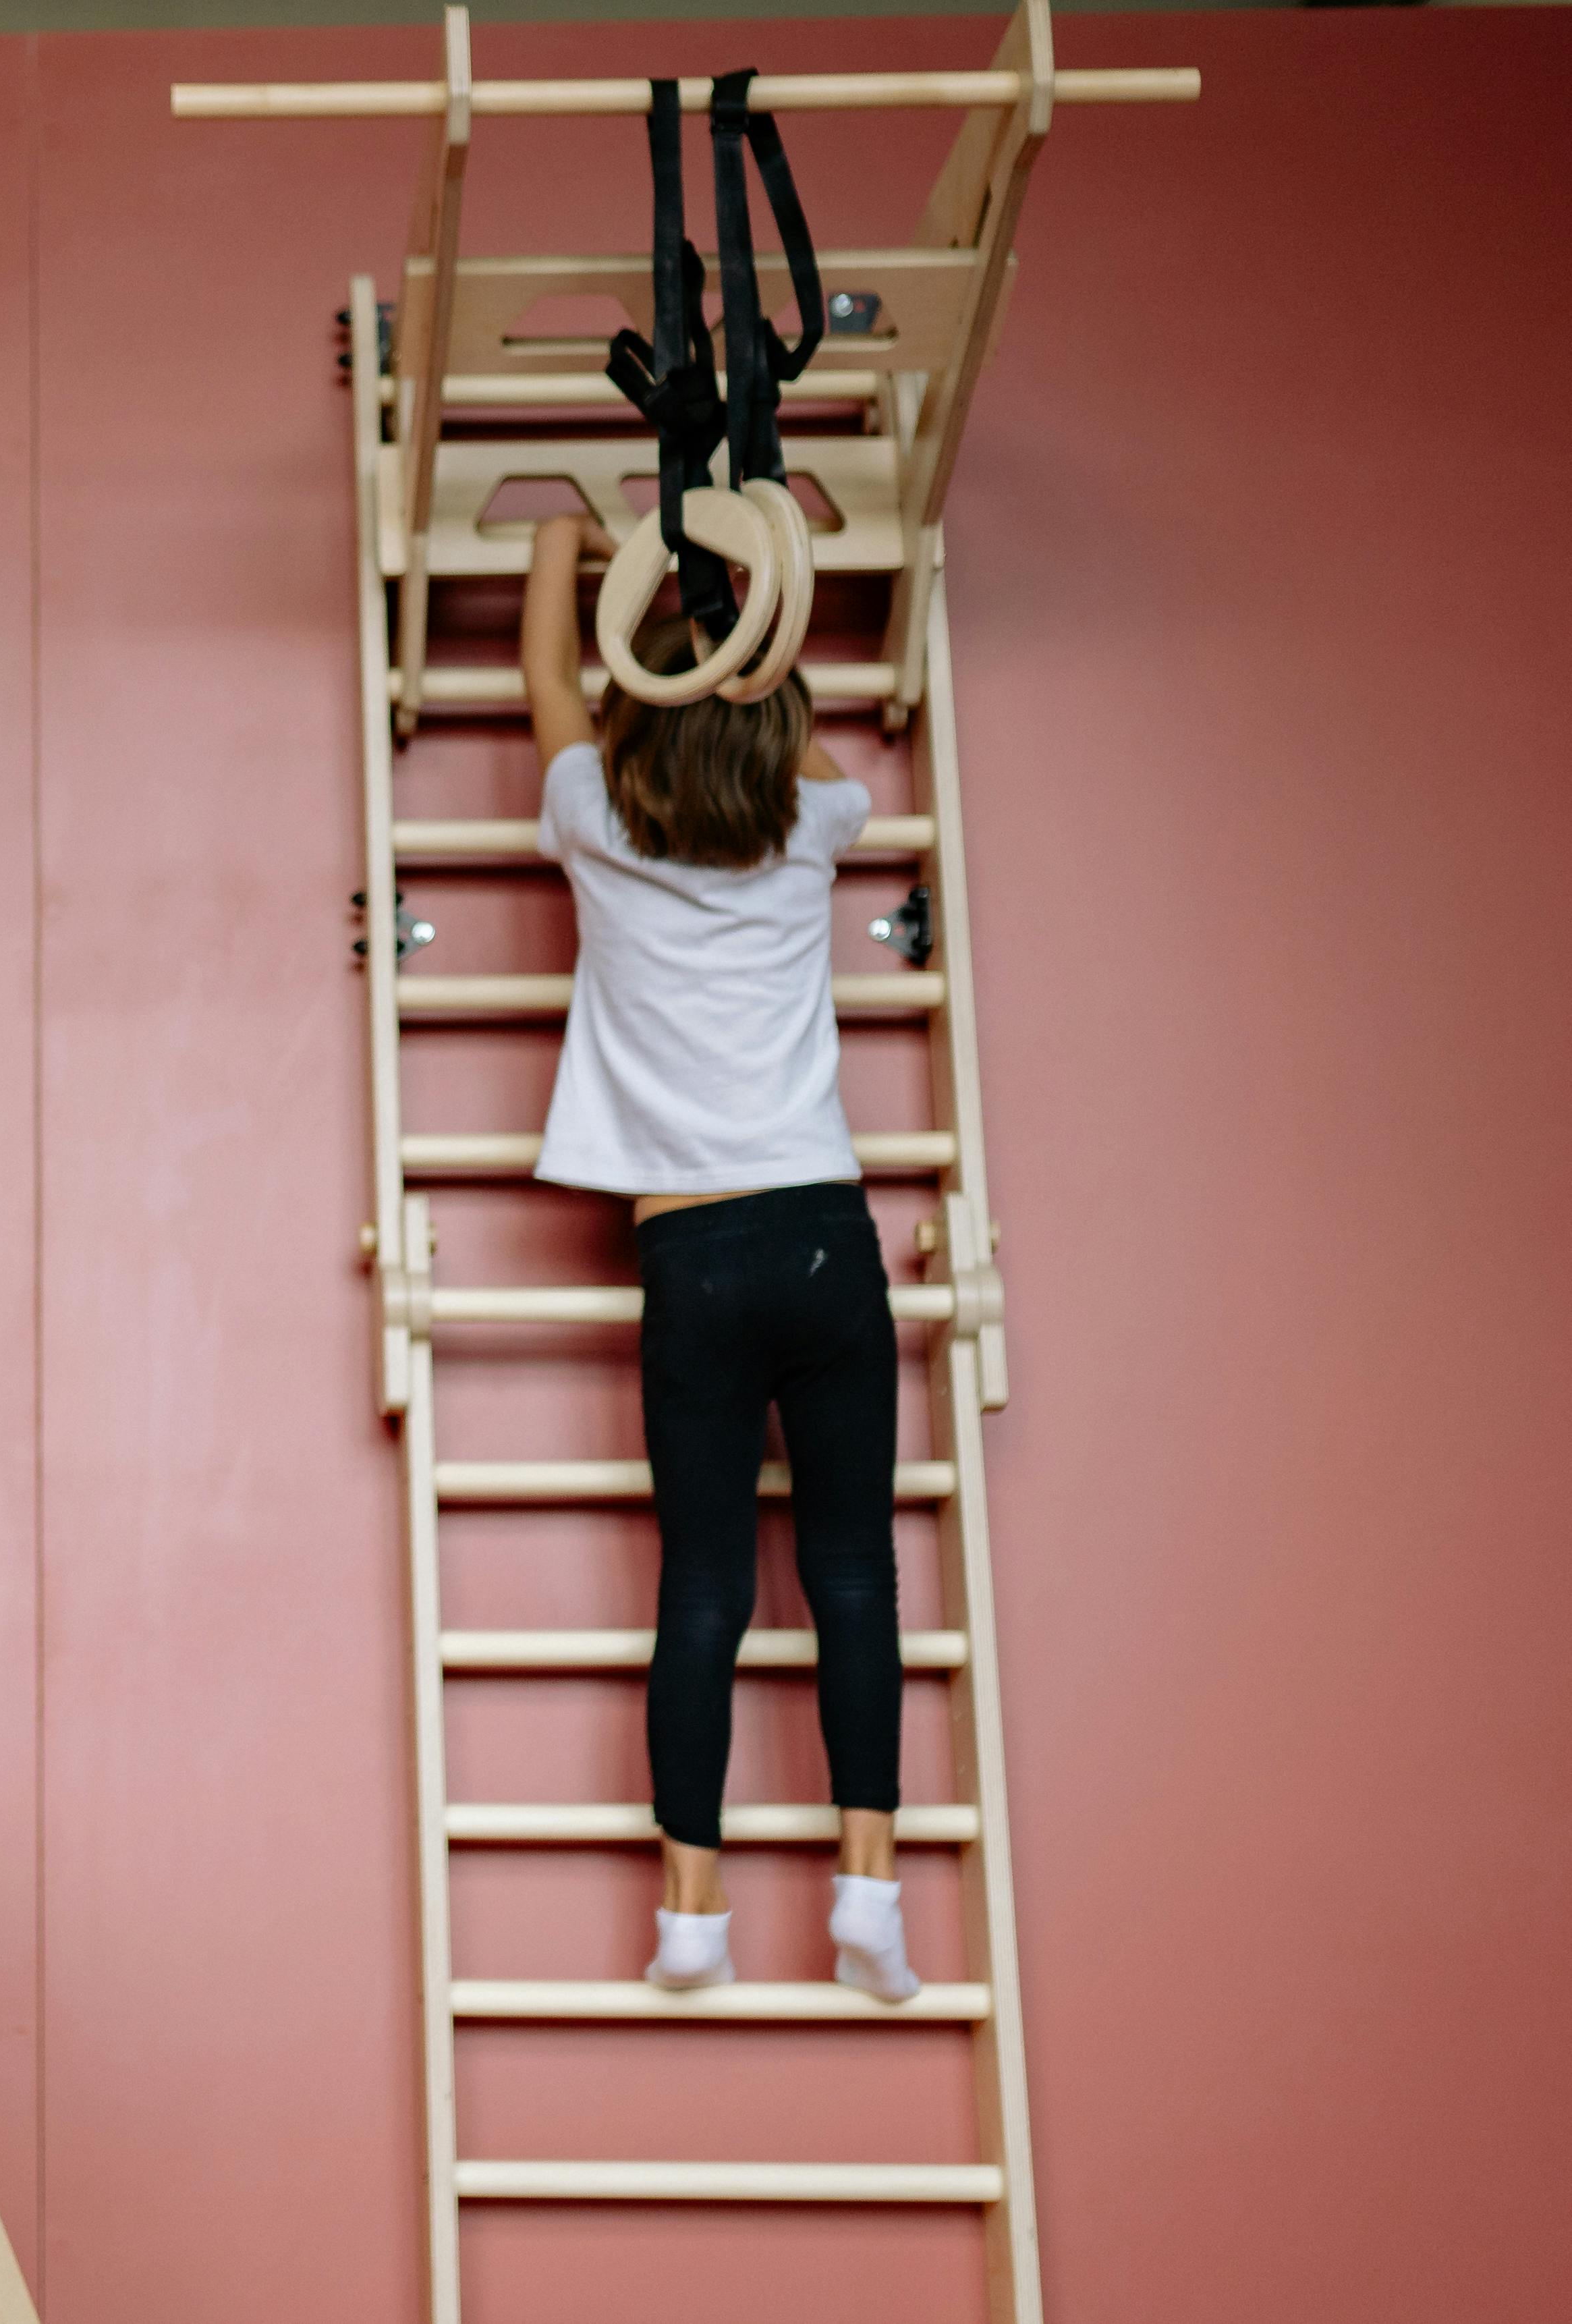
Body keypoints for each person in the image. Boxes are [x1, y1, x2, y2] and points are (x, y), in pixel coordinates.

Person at [520, 510, 916, 2004]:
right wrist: (754, 565)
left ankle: (695, 1924)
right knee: (854, 1574)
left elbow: (549, 681)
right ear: (773, 705)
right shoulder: (816, 820)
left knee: (704, 1589)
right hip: (822, 1236)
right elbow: (789, 725)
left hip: (691, 1258)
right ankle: (867, 1898)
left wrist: (568, 535)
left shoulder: (591, 812)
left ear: (632, 713)